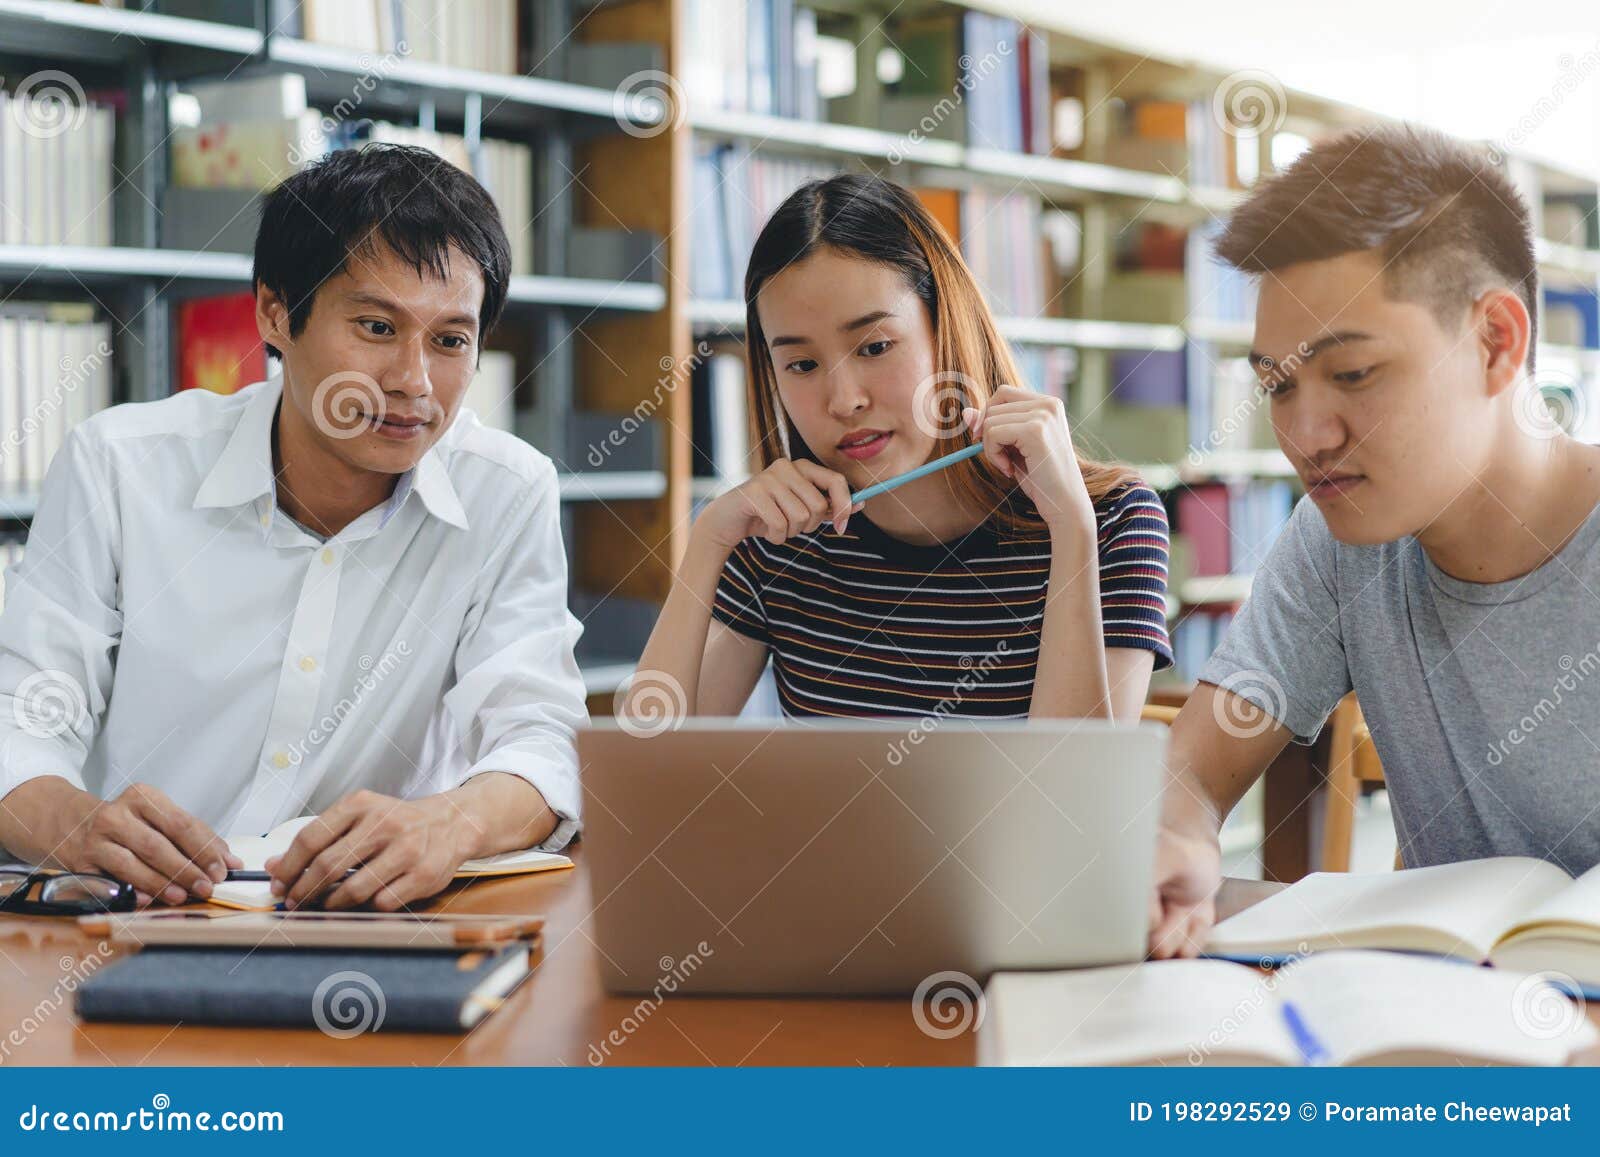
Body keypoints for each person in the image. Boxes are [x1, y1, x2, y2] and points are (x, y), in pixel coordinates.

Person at [0, 144, 587, 912]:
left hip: (372, 931)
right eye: (377, 327)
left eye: (450, 340)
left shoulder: (506, 492)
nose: (413, 382)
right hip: (132, 925)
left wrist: (451, 823)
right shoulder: (121, 467)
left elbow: (545, 739)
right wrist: (77, 825)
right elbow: (22, 718)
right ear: (275, 313)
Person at [1149, 124, 1600, 957]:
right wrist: (1178, 838)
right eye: (1277, 385)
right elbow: (1191, 769)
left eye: (1352, 374)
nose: (1308, 434)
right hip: (1445, 1039)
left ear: (1497, 342)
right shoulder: (1339, 538)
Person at [627, 173, 1172, 725]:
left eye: (876, 346)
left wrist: (1069, 527)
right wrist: (708, 542)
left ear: (947, 328)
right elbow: (642, 787)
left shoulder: (1108, 520)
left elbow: (1077, 802)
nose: (844, 400)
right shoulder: (777, 540)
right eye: (802, 365)